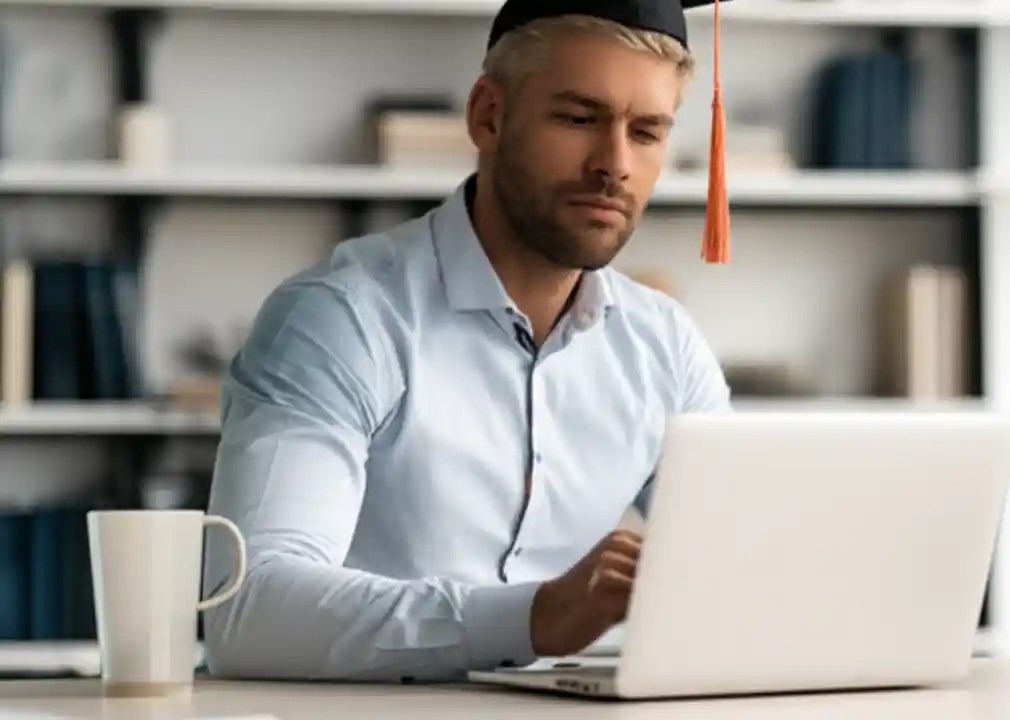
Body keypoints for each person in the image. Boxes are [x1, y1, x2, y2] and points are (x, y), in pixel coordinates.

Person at [201, 0, 732, 682]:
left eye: (648, 131)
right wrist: (534, 616)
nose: (615, 164)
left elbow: (743, 574)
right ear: (489, 116)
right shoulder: (344, 318)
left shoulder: (667, 347)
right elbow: (251, 612)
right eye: (578, 118)